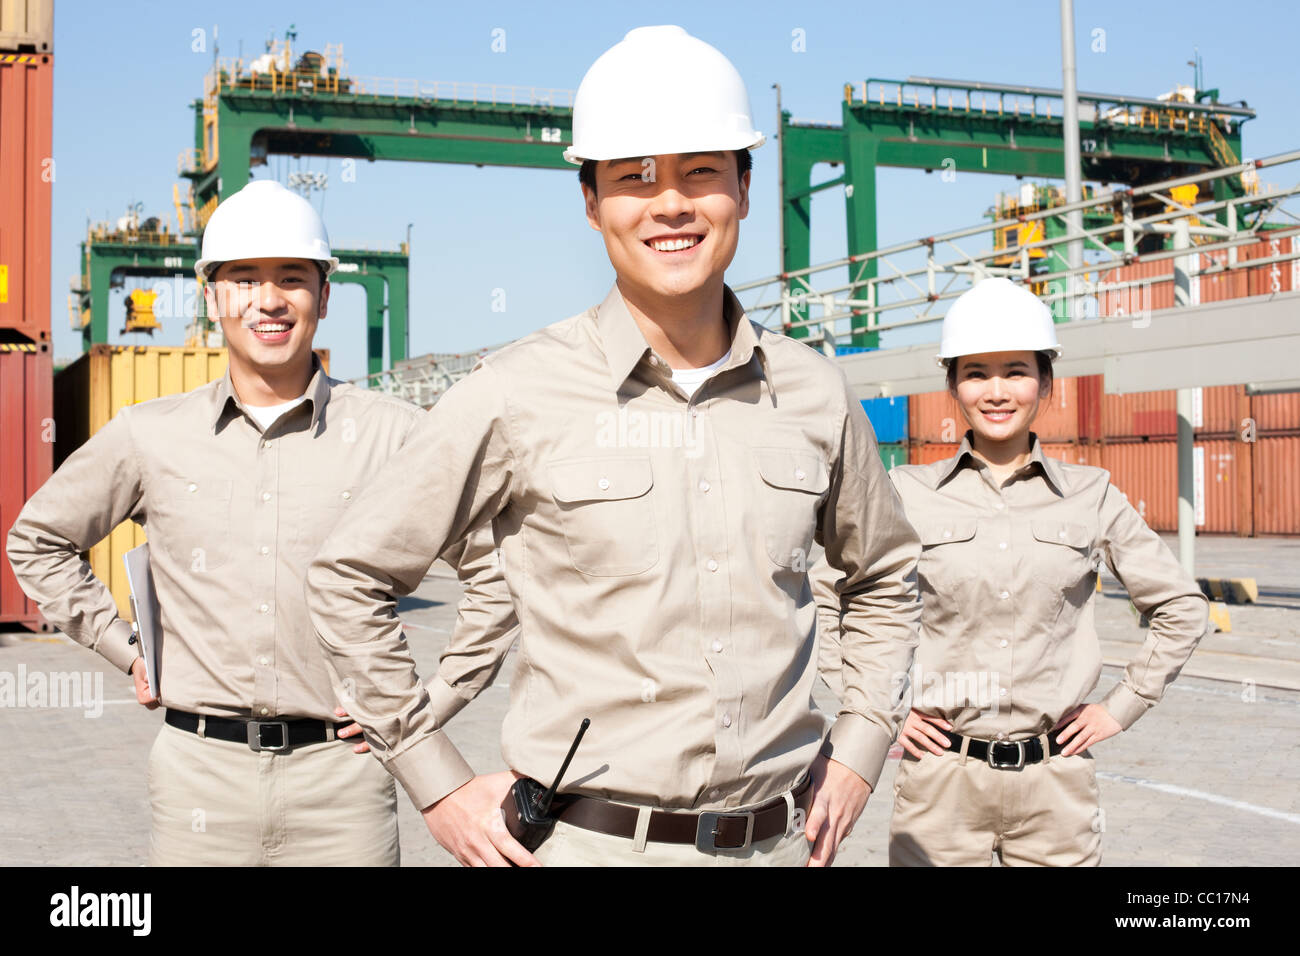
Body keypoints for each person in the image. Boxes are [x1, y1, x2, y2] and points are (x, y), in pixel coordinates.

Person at [305, 25, 921, 868]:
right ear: (591, 201)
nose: (670, 204)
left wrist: (862, 742)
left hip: (779, 845)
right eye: (634, 178)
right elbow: (349, 575)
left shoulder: (812, 391)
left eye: (700, 171)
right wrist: (436, 780)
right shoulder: (515, 393)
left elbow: (884, 576)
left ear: (744, 186)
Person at [6, 179, 517, 866]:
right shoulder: (149, 436)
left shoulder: (395, 437)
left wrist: (431, 702)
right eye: (244, 279)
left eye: (291, 279)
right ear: (212, 296)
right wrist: (125, 648)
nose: (269, 299)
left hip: (346, 786)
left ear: (325, 296)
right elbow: (37, 540)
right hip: (198, 778)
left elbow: (497, 575)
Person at [814, 277, 1210, 866]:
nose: (996, 392)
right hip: (939, 784)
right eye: (976, 372)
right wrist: (875, 712)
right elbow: (824, 598)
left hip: (1058, 788)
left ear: (1045, 382)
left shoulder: (1092, 495)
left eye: (1016, 371)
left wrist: (1119, 706)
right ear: (953, 384)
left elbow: (1181, 608)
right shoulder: (904, 494)